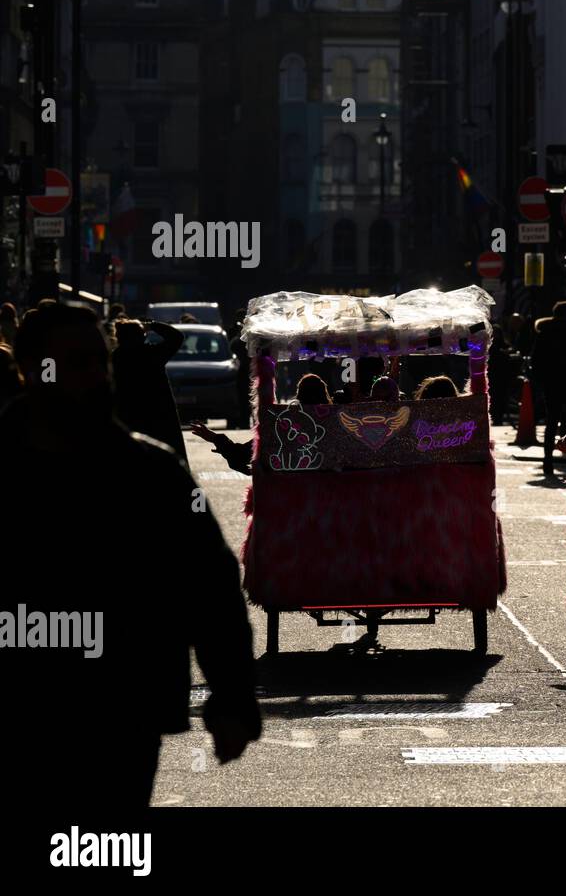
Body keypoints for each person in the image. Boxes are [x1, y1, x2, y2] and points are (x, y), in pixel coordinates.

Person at [0, 303, 261, 806]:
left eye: (101, 361)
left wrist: (232, 698)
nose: (97, 375)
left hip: (120, 710)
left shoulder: (150, 473)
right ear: (31, 371)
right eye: (77, 363)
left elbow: (211, 588)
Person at [192, 373, 330, 475]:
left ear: (298, 398)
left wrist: (215, 438)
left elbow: (240, 455)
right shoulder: (336, 425)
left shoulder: (283, 427)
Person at [110, 317, 189, 467]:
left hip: (127, 417)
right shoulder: (152, 354)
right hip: (158, 415)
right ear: (141, 336)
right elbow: (176, 337)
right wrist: (152, 325)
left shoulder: (114, 358)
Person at [530, 300, 566, 476]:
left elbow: (537, 359)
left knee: (552, 420)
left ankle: (547, 459)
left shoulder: (545, 332)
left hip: (552, 383)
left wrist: (542, 380)